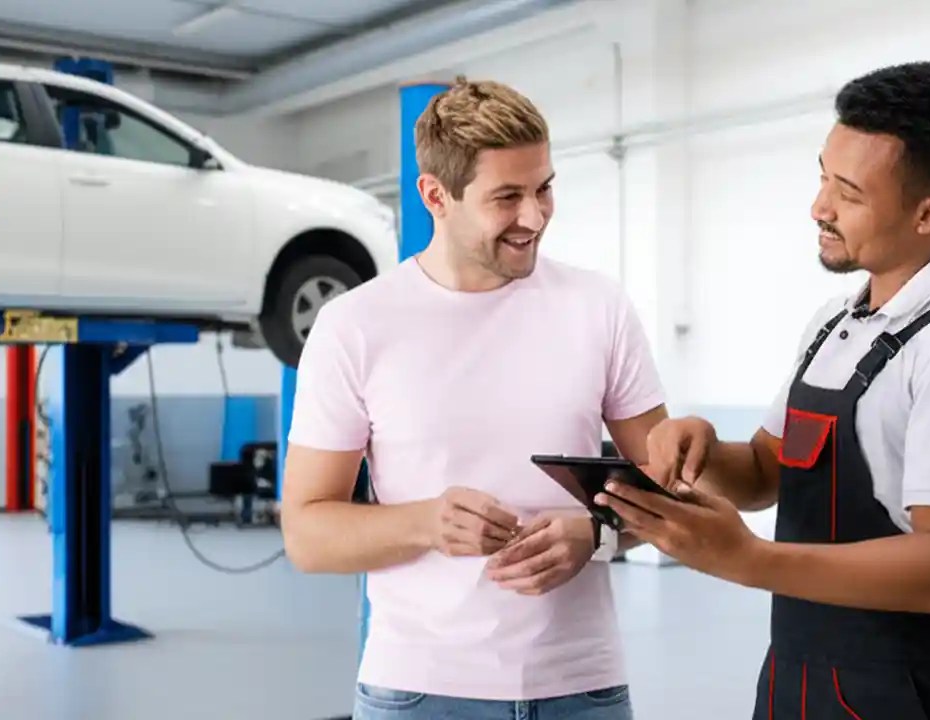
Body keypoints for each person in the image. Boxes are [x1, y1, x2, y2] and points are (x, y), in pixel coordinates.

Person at [596, 61, 930, 719]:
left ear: (928, 213)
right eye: (822, 177)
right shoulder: (837, 323)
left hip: (907, 694)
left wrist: (749, 560)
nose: (819, 208)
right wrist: (706, 448)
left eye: (849, 193)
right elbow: (763, 475)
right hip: (796, 680)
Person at [279, 76, 667, 720]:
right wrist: (425, 522)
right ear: (436, 196)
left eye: (544, 188)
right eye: (506, 197)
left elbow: (670, 492)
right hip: (418, 691)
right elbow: (308, 533)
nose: (534, 217)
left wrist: (597, 535)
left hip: (582, 688)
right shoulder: (356, 326)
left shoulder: (599, 308)